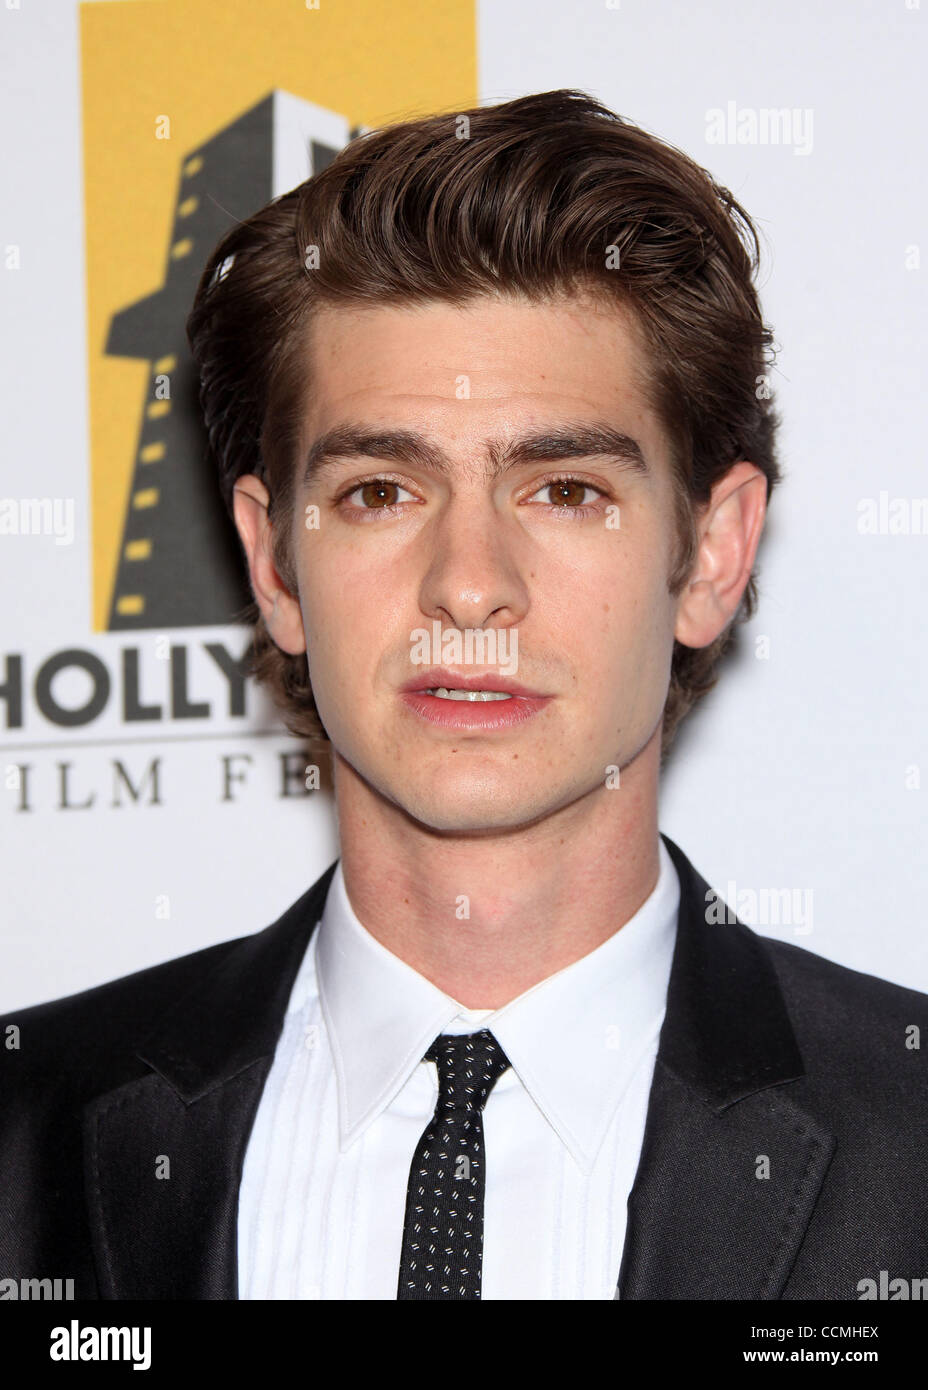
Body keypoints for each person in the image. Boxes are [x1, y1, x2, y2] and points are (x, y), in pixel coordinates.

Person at [2, 90, 925, 1301]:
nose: (470, 586)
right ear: (275, 564)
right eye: (381, 490)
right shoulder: (28, 1132)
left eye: (565, 489)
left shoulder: (904, 1137)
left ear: (710, 553)